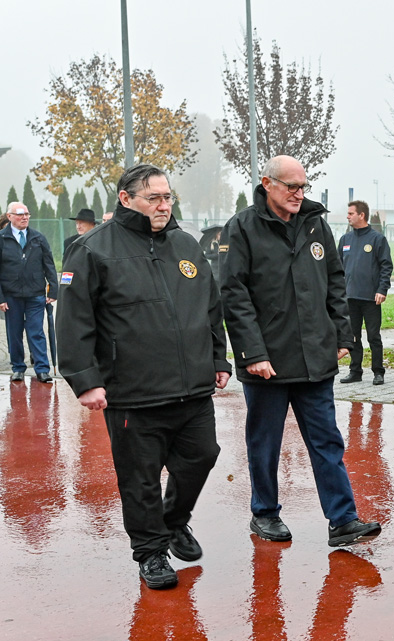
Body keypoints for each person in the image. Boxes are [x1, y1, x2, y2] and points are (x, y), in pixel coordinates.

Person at [57, 163, 231, 590]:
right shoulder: (92, 248)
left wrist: (218, 358)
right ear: (126, 199)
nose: (163, 205)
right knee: (140, 478)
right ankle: (151, 553)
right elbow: (74, 319)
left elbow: (210, 306)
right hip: (132, 391)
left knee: (202, 455)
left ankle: (173, 521)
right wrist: (86, 379)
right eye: (154, 198)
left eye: (168, 197)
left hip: (192, 386)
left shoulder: (185, 244)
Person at [221, 155, 382, 547]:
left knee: (327, 440)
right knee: (265, 443)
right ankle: (264, 513)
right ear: (267, 184)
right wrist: (252, 353)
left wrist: (343, 335)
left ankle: (343, 520)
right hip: (267, 362)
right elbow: (233, 294)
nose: (298, 194)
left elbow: (335, 280)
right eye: (291, 186)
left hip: (315, 357)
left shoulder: (315, 224)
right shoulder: (242, 228)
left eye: (303, 186)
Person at [0, 202, 57, 382]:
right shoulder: (2, 238)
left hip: (35, 294)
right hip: (11, 295)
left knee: (36, 332)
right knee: (14, 333)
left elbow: (49, 265)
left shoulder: (38, 238)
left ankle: (42, 369)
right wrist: (1, 298)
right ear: (9, 216)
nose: (24, 217)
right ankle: (18, 367)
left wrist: (53, 290)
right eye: (20, 214)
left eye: (27, 213)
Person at [338, 200, 392, 386]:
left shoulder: (377, 239)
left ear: (361, 215)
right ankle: (355, 371)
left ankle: (378, 372)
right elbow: (338, 268)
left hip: (370, 298)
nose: (347, 216)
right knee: (353, 337)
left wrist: (382, 289)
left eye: (351, 213)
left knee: (373, 336)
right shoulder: (345, 240)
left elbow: (386, 266)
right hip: (350, 297)